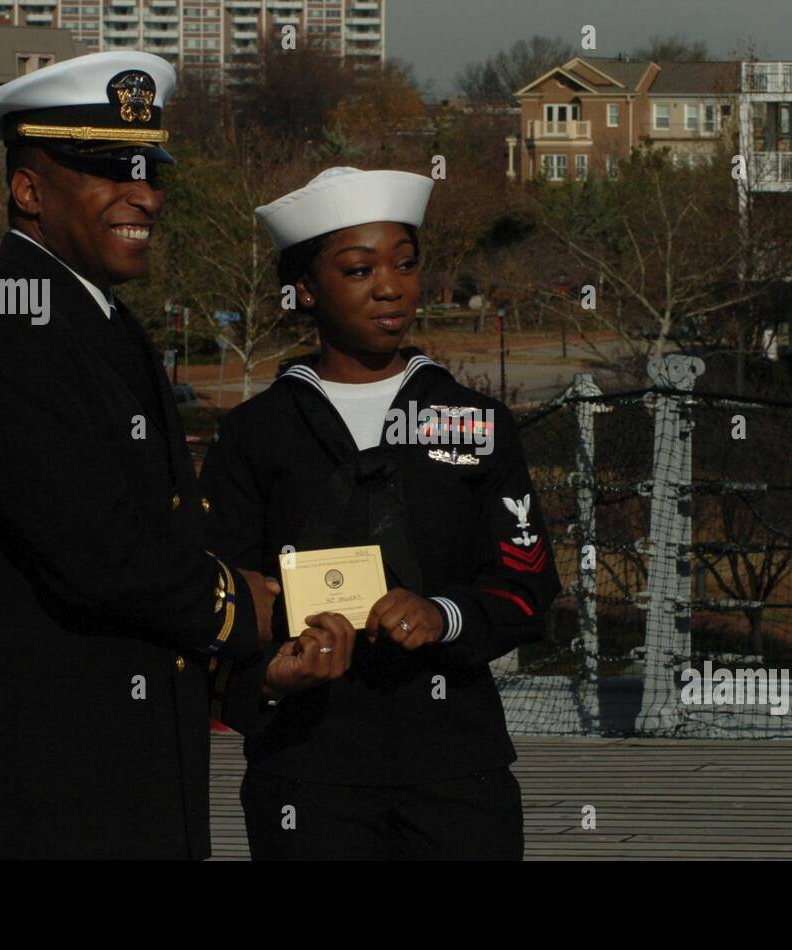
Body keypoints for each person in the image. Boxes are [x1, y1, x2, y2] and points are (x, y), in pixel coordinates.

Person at [0, 52, 342, 859]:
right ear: (29, 190)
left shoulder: (94, 319)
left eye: (149, 172)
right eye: (110, 171)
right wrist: (237, 604)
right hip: (50, 786)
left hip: (130, 772)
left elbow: (158, 526)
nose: (145, 194)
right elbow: (97, 550)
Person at [201, 167, 562, 860]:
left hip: (456, 766)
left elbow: (527, 584)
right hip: (305, 770)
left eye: (405, 263)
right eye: (359, 269)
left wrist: (443, 615)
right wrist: (274, 673)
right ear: (306, 289)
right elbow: (220, 593)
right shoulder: (254, 434)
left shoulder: (477, 423)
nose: (391, 287)